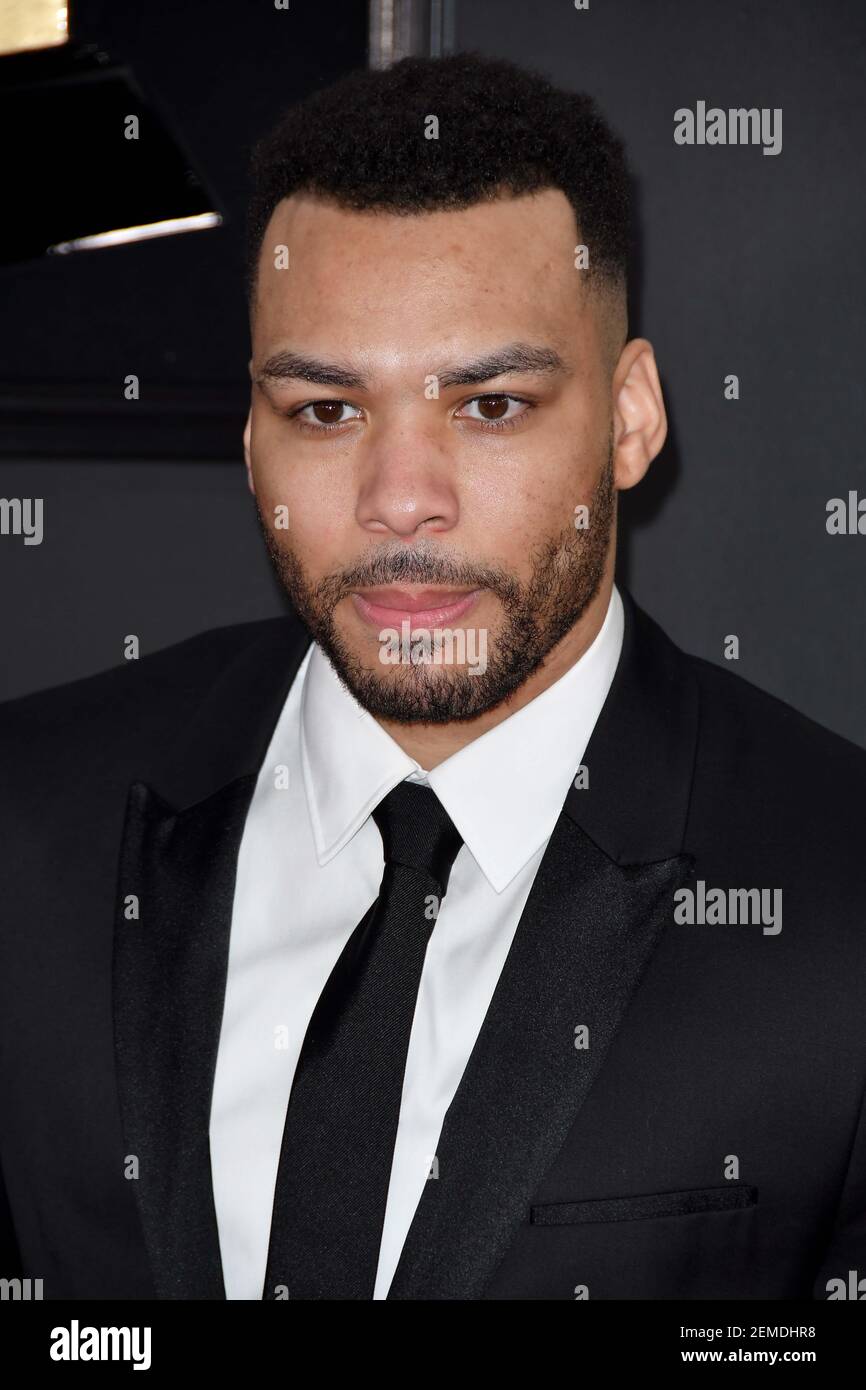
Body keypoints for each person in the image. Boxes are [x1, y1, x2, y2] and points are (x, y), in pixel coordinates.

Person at [1, 52, 864, 1302]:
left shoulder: (837, 892)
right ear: (252, 441)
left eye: (492, 405)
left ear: (627, 420)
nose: (401, 498)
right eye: (326, 411)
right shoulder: (29, 825)